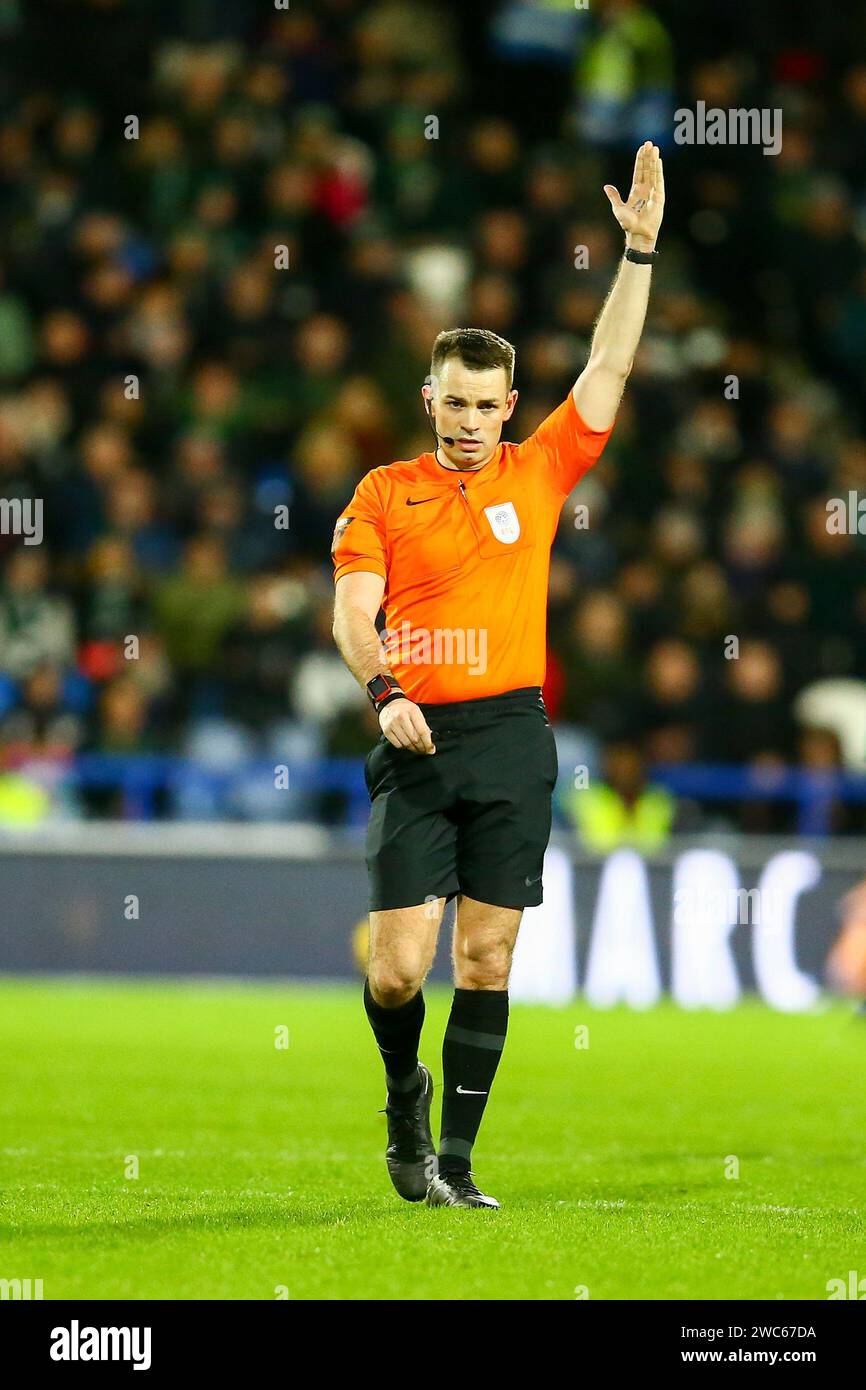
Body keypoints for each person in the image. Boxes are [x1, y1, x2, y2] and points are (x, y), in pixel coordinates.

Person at [331, 142, 664, 1209]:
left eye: (487, 406)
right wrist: (384, 694)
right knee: (395, 966)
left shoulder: (541, 466)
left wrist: (639, 252)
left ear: (510, 404)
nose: (470, 424)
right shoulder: (383, 492)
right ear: (428, 399)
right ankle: (401, 1096)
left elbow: (607, 368)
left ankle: (457, 1168)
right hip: (412, 731)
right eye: (453, 404)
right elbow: (350, 610)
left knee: (485, 956)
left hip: (513, 734)